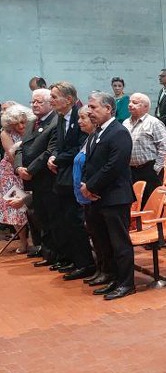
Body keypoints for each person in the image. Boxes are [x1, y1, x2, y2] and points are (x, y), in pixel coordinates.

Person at [79, 92, 137, 300]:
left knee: (119, 243)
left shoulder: (118, 132)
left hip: (115, 196)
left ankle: (126, 283)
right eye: (89, 107)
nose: (89, 111)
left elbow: (114, 165)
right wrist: (87, 186)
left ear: (108, 109)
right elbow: (90, 162)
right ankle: (113, 277)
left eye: (94, 108)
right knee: (103, 241)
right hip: (99, 195)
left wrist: (91, 186)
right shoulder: (97, 132)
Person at [46, 81, 95, 277]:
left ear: (68, 99)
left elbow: (80, 147)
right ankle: (75, 260)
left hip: (75, 176)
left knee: (76, 222)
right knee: (65, 221)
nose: (51, 100)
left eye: (54, 97)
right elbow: (60, 144)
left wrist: (57, 158)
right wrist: (52, 155)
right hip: (62, 177)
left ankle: (86, 263)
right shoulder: (60, 117)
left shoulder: (80, 116)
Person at [14, 89, 58, 265]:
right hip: (33, 180)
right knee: (41, 218)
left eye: (39, 102)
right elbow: (19, 148)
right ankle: (47, 253)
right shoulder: (31, 122)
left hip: (48, 178)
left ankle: (56, 255)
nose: (35, 105)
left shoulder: (55, 122)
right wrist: (18, 167)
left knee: (52, 219)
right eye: (33, 102)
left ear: (50, 103)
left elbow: (49, 152)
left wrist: (30, 170)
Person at [123, 93, 166, 210]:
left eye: (135, 103)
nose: (130, 105)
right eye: (130, 102)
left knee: (149, 203)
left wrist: (157, 167)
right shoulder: (125, 123)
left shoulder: (154, 123)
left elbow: (165, 147)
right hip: (130, 170)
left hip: (149, 169)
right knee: (132, 202)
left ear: (145, 107)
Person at [1, 104, 32, 253]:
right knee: (16, 208)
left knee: (31, 206)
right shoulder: (5, 133)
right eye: (16, 123)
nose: (21, 126)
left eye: (23, 122)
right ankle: (23, 242)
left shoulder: (32, 128)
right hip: (11, 174)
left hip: (29, 170)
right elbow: (13, 156)